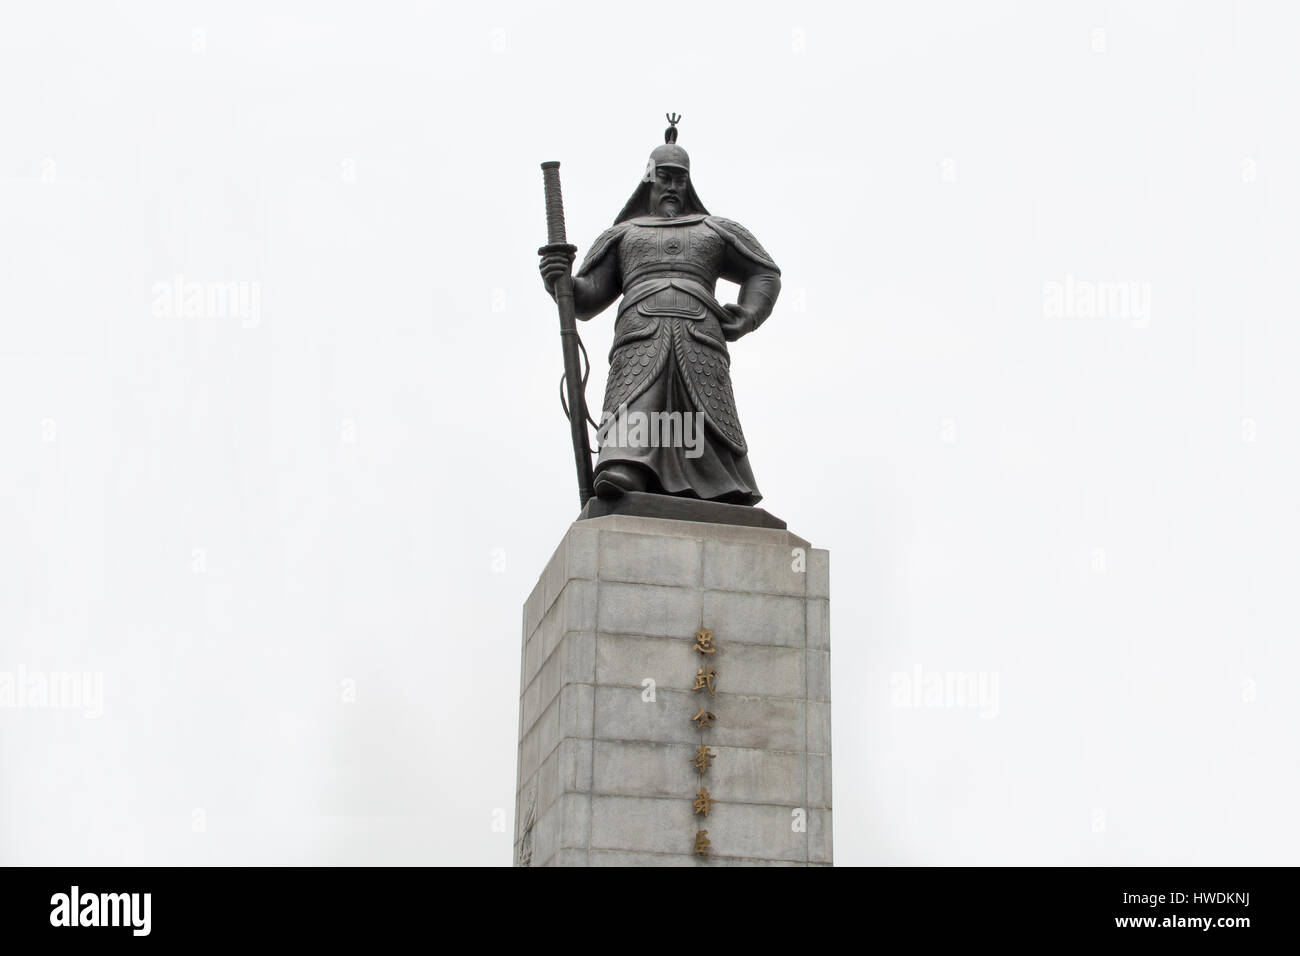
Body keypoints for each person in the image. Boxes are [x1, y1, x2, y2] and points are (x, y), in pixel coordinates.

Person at [539, 119, 781, 505]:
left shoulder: (714, 230)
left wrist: (748, 313)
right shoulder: (623, 234)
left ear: (689, 184)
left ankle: (720, 483)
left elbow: (764, 271)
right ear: (648, 181)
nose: (671, 187)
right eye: (663, 178)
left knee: (707, 410)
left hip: (699, 332)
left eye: (679, 179)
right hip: (640, 331)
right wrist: (560, 280)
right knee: (636, 396)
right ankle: (627, 465)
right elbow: (585, 299)